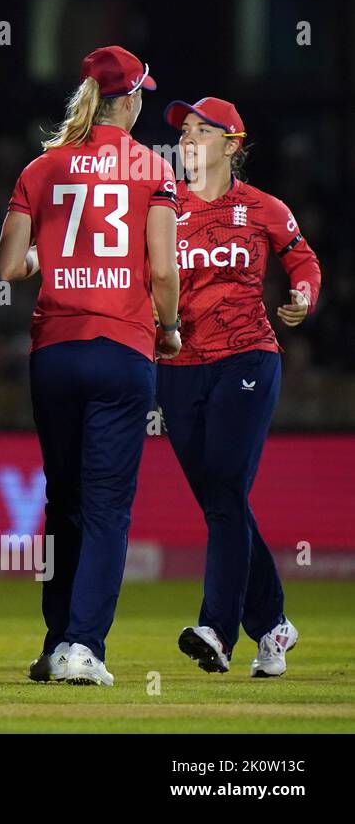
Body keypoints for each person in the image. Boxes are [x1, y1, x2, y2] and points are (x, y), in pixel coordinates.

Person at [0, 45, 180, 687]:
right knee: (107, 507)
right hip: (123, 348)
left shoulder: (42, 167)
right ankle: (83, 644)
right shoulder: (152, 168)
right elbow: (161, 268)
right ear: (127, 101)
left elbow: (8, 267)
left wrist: (59, 255)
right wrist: (174, 327)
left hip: (54, 351)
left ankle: (54, 643)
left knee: (63, 500)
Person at [158, 96, 320, 678]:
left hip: (247, 356)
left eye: (202, 132)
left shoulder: (262, 208)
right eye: (183, 133)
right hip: (175, 366)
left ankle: (216, 631)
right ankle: (273, 624)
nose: (187, 141)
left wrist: (302, 297)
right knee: (221, 502)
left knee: (224, 486)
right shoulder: (160, 206)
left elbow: (304, 262)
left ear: (232, 145)